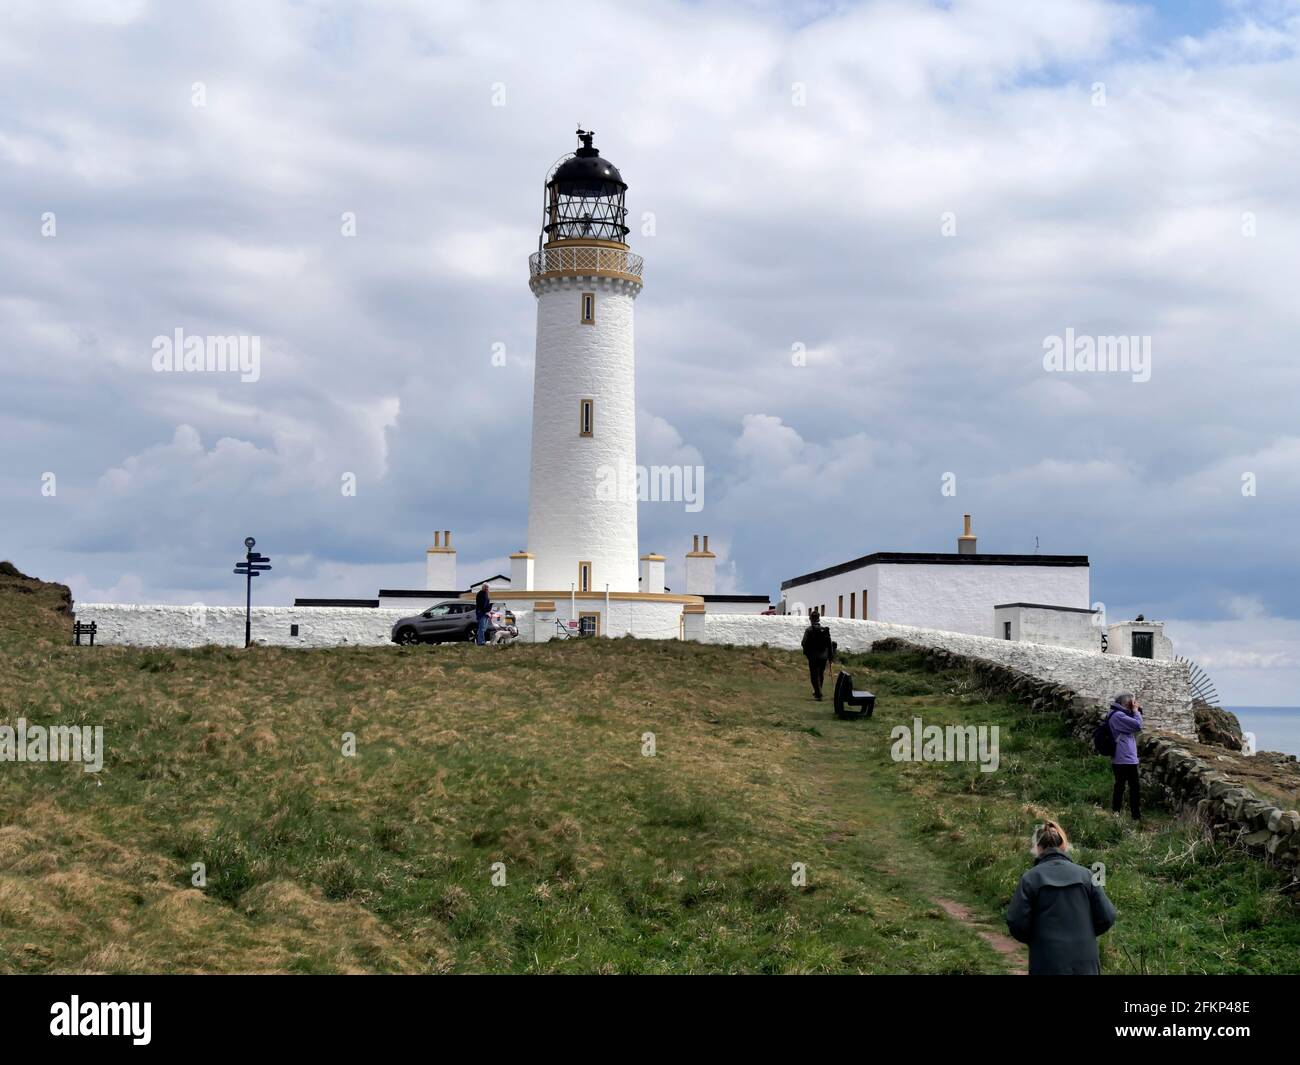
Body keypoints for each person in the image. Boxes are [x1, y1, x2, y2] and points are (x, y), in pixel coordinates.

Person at [1005, 820, 1116, 975]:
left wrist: (1036, 940)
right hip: (1085, 963)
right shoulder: (1086, 875)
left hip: (1046, 962)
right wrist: (1085, 934)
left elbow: (1016, 922)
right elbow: (1108, 916)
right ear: (1064, 846)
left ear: (1038, 848)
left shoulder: (1030, 878)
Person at [1108, 692, 1143, 821]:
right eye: (1132, 702)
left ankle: (1117, 812)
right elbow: (1138, 725)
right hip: (1125, 757)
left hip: (1122, 757)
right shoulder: (1118, 716)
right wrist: (1136, 711)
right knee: (1132, 787)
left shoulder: (1115, 714)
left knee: (1120, 786)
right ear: (1126, 704)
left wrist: (1134, 711)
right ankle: (1135, 816)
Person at [800, 610, 833, 700]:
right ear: (818, 619)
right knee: (820, 674)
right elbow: (829, 644)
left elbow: (803, 643)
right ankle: (819, 691)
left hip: (813, 656)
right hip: (823, 656)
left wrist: (807, 652)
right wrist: (830, 656)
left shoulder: (809, 630)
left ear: (810, 619)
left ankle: (818, 693)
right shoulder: (824, 630)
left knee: (814, 675)